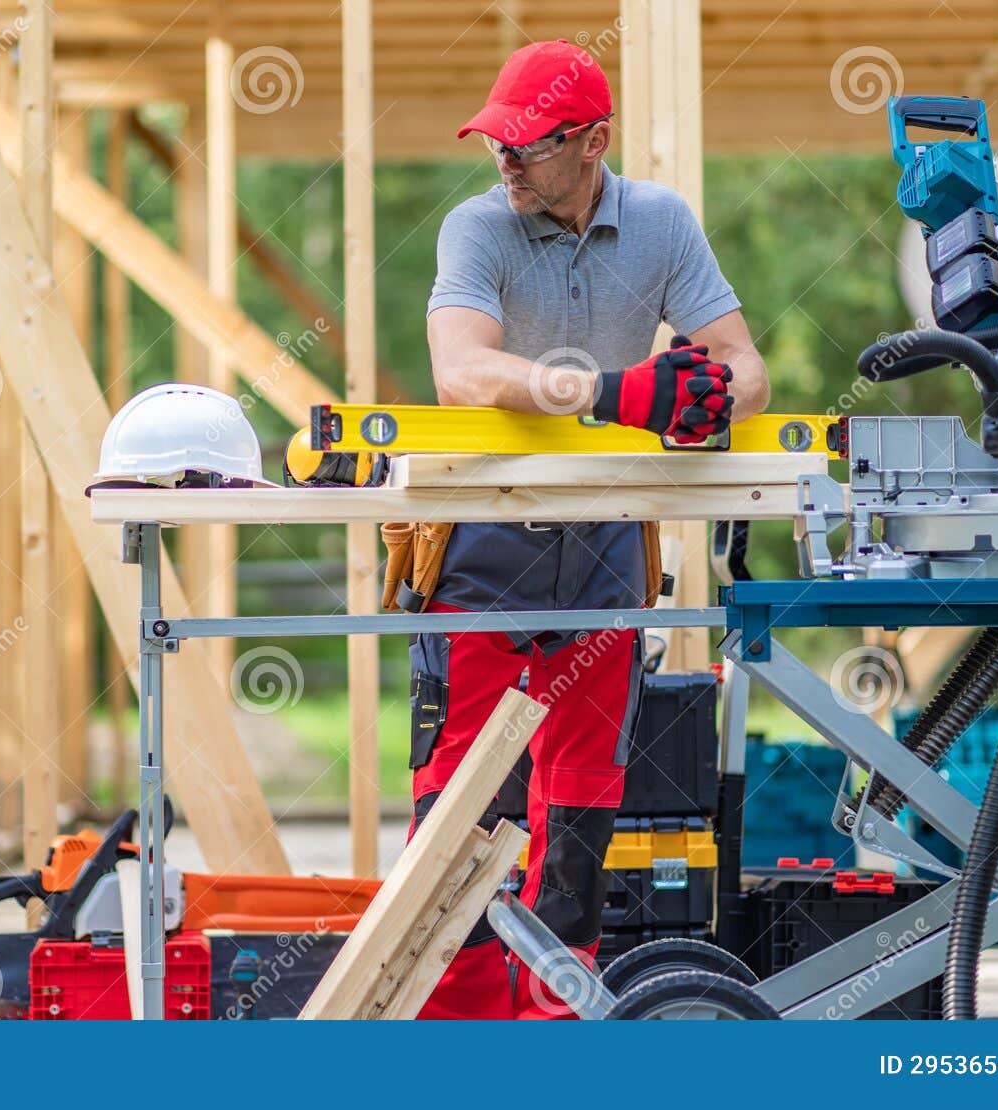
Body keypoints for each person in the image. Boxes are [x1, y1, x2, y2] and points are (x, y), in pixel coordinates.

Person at [410, 38, 771, 1019]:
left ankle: (553, 1026)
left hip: (605, 553)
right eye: (498, 144)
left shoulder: (660, 223)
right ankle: (458, 1035)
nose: (506, 162)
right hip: (476, 555)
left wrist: (707, 401)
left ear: (592, 140)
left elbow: (747, 367)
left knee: (576, 811)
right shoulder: (475, 227)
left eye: (527, 146)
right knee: (458, 813)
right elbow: (461, 371)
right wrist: (612, 393)